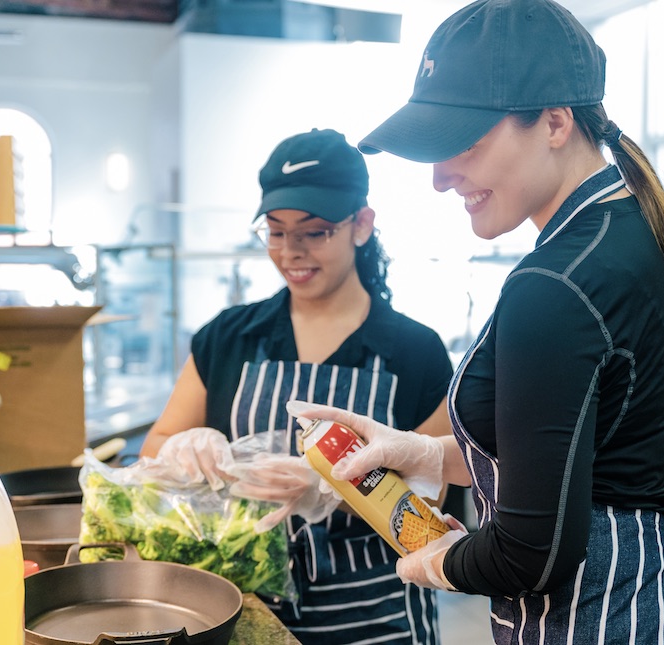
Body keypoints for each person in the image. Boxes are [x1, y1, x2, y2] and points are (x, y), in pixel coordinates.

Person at [287, 2, 664, 644]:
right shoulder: (623, 232)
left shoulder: (555, 284)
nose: (438, 180)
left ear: (554, 121)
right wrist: (428, 454)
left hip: (608, 618)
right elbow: (587, 455)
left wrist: (436, 562)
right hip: (662, 595)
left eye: (462, 143)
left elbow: (532, 553)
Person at [140, 128, 454, 645]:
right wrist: (182, 447)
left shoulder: (414, 351)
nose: (291, 252)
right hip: (242, 605)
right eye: (277, 231)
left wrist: (331, 491)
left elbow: (432, 492)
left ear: (361, 225)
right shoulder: (229, 337)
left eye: (315, 232)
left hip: (375, 613)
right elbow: (153, 448)